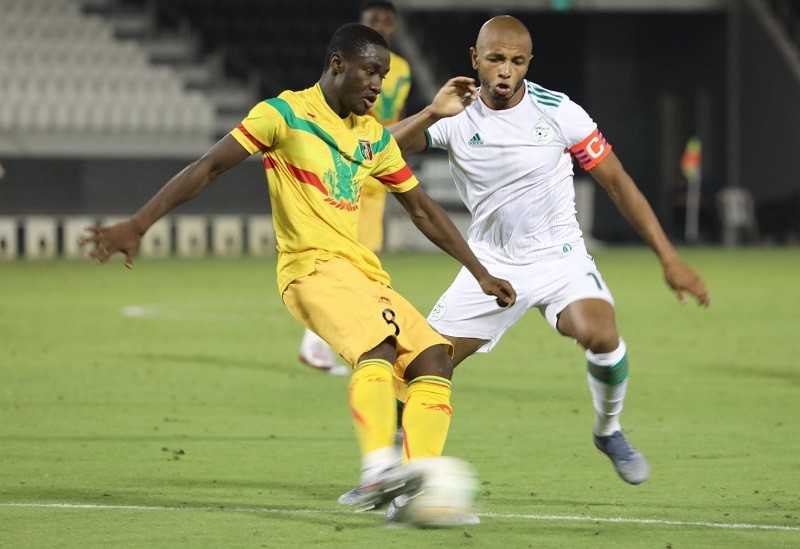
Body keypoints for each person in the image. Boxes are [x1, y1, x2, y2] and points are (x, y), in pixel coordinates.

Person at [80, 23, 515, 513]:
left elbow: (423, 210)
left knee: (434, 358)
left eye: (384, 75)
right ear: (337, 65)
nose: (379, 85)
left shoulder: (373, 137)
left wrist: (479, 271)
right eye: (370, 72)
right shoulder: (283, 115)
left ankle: (414, 491)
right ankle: (378, 472)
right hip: (309, 270)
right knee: (377, 346)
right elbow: (209, 167)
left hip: (361, 273)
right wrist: (139, 223)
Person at [387, 15, 710, 486]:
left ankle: (609, 430)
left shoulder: (558, 111)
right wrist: (433, 112)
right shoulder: (455, 115)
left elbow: (618, 183)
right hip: (490, 264)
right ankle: (392, 467)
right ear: (474, 59)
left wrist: (669, 257)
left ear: (529, 63)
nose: (506, 70)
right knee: (420, 365)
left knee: (600, 333)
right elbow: (380, 149)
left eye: (517, 61)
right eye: (496, 59)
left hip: (560, 258)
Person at [298, 1, 413, 375]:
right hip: (348, 167)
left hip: (376, 169)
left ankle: (324, 340)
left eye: (386, 21)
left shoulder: (402, 70)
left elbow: (392, 117)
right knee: (347, 261)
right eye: (373, 20)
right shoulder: (347, 65)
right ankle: (318, 341)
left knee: (363, 259)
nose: (381, 25)